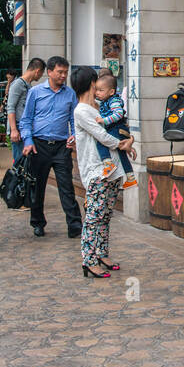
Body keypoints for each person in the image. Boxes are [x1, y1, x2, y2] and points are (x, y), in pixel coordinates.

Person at [71, 65, 135, 278]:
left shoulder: (99, 107)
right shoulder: (81, 110)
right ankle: (88, 260)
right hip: (97, 171)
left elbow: (117, 126)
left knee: (105, 215)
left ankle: (101, 253)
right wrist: (122, 144)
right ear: (91, 83)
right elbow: (102, 136)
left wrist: (128, 140)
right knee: (94, 217)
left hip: (111, 169)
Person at [19, 55, 81, 239]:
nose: (63, 76)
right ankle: (37, 223)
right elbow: (26, 120)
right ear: (49, 72)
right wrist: (28, 141)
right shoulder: (36, 92)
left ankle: (75, 225)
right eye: (60, 72)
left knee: (66, 187)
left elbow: (74, 119)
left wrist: (75, 136)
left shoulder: (69, 94)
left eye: (65, 73)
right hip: (39, 146)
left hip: (62, 146)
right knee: (37, 187)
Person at [92, 72, 136, 188]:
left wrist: (104, 120)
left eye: (101, 90)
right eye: (96, 90)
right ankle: (131, 177)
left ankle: (108, 164)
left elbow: (119, 114)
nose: (97, 93)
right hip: (120, 130)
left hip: (117, 129)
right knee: (122, 154)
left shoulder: (114, 101)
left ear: (111, 92)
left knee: (101, 142)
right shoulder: (105, 101)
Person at [6, 58, 45, 163]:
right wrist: (13, 130)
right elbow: (10, 107)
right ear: (37, 71)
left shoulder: (28, 85)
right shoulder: (18, 84)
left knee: (27, 163)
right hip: (18, 127)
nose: (41, 76)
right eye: (41, 73)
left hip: (25, 127)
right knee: (20, 162)